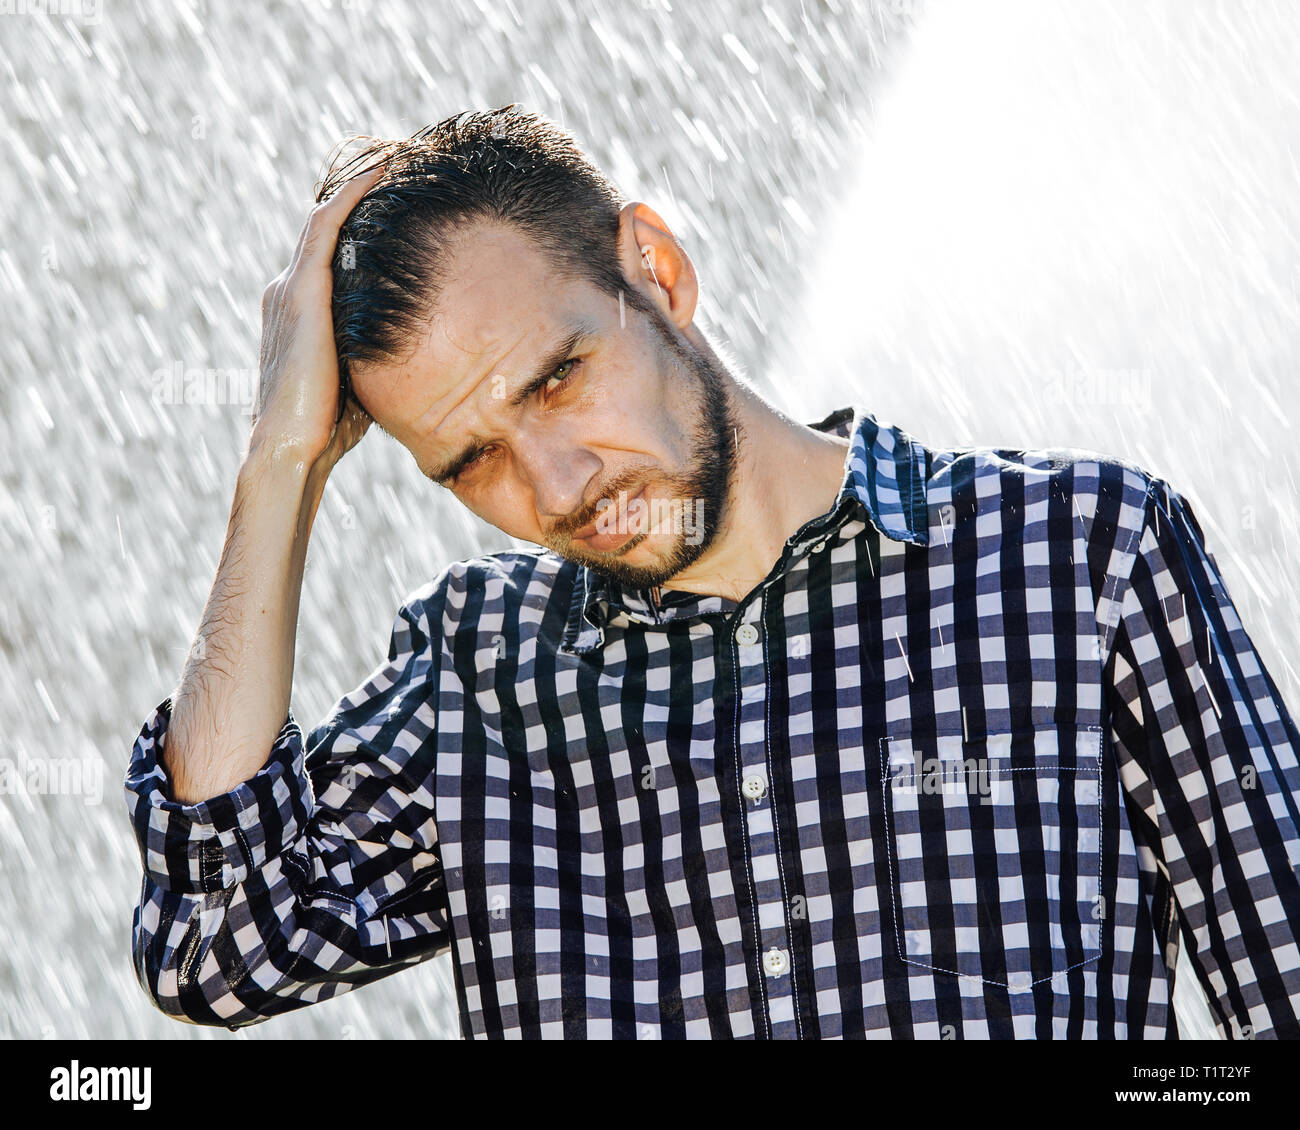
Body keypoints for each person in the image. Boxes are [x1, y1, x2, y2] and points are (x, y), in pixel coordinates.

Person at [125, 106, 1300, 1039]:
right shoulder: (478, 676)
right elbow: (212, 943)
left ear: (658, 269)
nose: (558, 480)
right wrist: (278, 464)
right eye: (471, 459)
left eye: (557, 377)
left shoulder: (1077, 552)